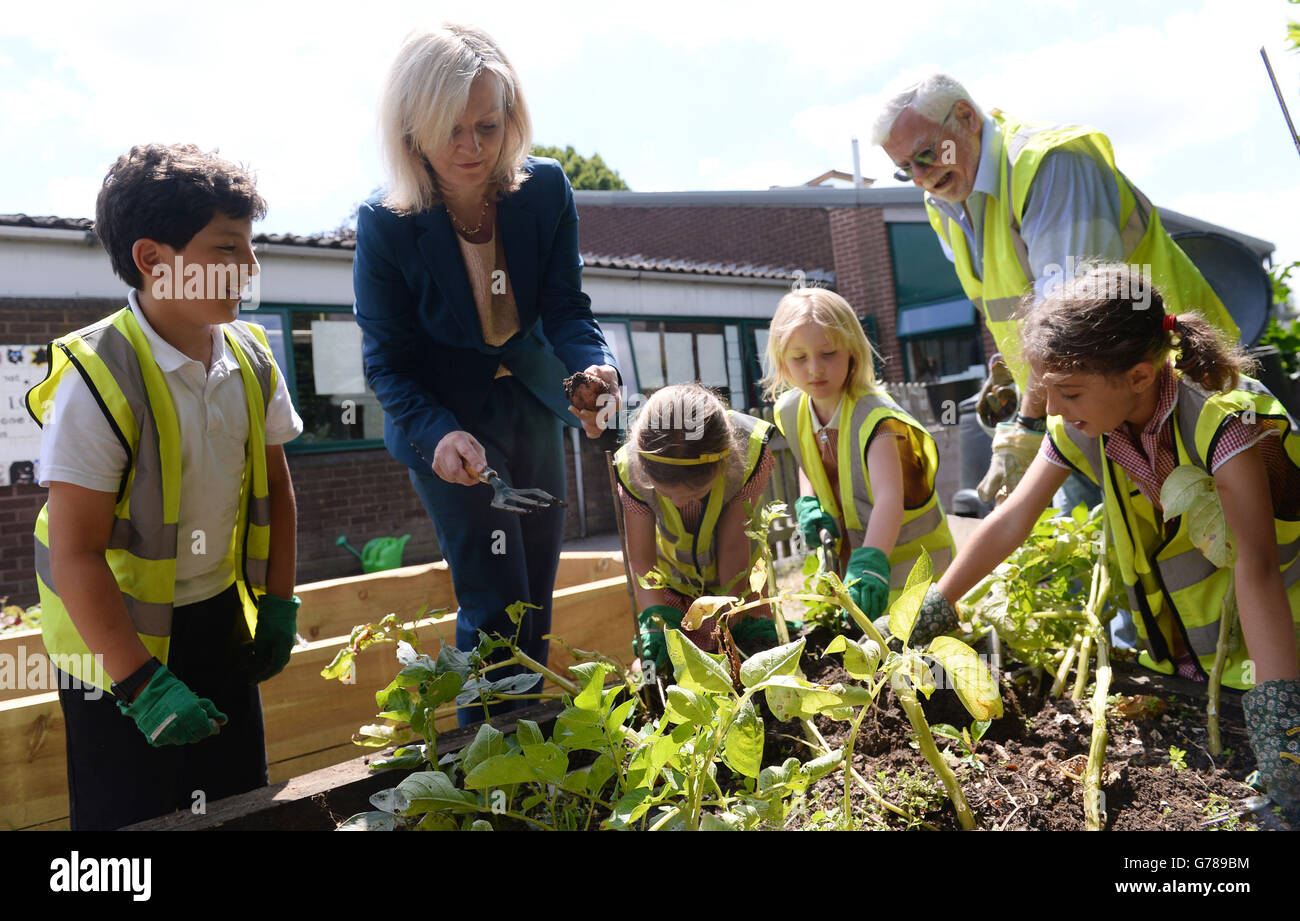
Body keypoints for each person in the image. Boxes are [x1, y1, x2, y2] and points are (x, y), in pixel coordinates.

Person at [913, 263, 1300, 814]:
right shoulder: (1086, 422)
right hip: (1197, 664)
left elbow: (1258, 566)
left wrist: (1284, 732)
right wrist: (935, 605)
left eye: (1068, 392)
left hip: (1284, 654)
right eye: (1048, 391)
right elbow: (1012, 518)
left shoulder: (1226, 421)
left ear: (1141, 376)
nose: (1053, 408)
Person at [26, 143, 303, 830]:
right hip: (113, 651)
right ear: (154, 260)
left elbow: (277, 490)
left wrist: (279, 605)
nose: (251, 267)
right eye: (226, 248)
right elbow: (76, 552)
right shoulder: (98, 379)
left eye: (250, 246)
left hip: (217, 624)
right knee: (130, 828)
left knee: (240, 805)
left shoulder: (252, 358)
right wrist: (141, 683)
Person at [352, 25, 619, 723]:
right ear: (412, 133)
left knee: (536, 593)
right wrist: (438, 436)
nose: (472, 148)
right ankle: (489, 776)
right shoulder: (385, 225)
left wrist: (596, 366)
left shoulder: (545, 191)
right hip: (446, 426)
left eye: (488, 126)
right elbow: (388, 365)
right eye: (451, 131)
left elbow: (566, 308)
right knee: (494, 605)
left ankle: (535, 763)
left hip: (532, 404)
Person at [871, 73, 1239, 506]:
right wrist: (1011, 373)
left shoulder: (1051, 164)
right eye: (904, 169)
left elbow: (1071, 319)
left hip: (1175, 383)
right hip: (1085, 401)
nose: (919, 178)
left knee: (1214, 535)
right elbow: (1004, 304)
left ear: (967, 117)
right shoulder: (946, 201)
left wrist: (1024, 430)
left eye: (927, 154)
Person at [764, 287, 955, 628]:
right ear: (781, 362)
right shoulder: (793, 411)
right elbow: (810, 462)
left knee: (919, 658)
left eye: (828, 353)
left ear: (852, 352)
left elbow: (889, 498)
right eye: (799, 358)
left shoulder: (876, 419)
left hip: (910, 569)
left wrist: (872, 559)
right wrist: (809, 501)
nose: (814, 369)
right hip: (857, 565)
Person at [615, 384, 777, 663]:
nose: (679, 503)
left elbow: (734, 549)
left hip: (738, 584)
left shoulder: (746, 460)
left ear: (722, 465)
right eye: (666, 493)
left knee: (749, 655)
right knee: (670, 665)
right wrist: (657, 622)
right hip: (672, 587)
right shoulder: (631, 470)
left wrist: (729, 618)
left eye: (694, 495)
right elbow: (641, 559)